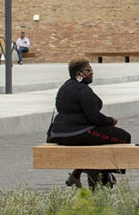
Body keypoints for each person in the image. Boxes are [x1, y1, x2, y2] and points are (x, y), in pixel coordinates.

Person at [47, 57, 131, 189]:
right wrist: (111, 120)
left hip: (60, 133)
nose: (92, 73)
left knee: (97, 145)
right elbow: (94, 117)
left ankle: (78, 174)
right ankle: (105, 176)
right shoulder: (82, 90)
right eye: (88, 70)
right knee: (123, 137)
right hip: (76, 132)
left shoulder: (65, 87)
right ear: (78, 74)